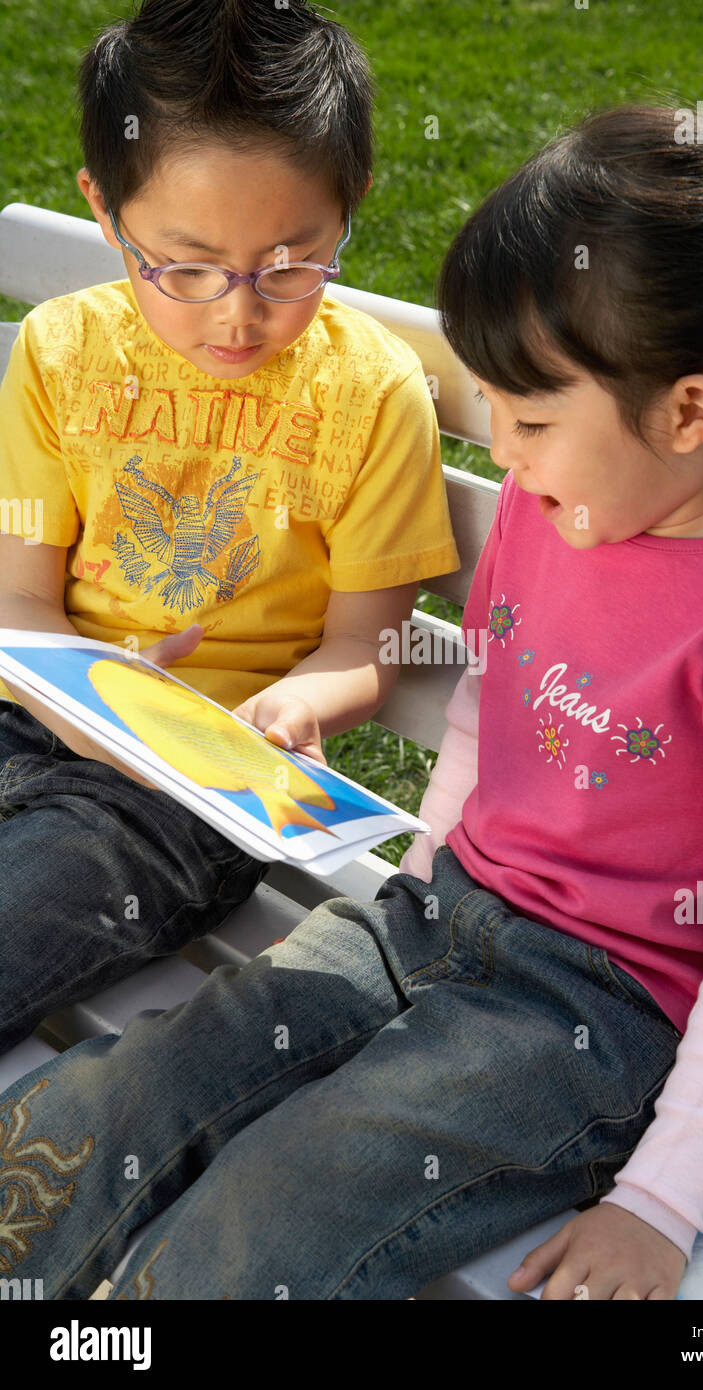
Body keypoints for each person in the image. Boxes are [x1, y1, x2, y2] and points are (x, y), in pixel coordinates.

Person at [1, 103, 703, 1302]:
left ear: (690, 412)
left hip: (581, 1016)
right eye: (491, 415)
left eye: (530, 420)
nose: (500, 455)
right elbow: (485, 713)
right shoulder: (555, 501)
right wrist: (415, 877)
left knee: (276, 1202)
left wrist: (655, 1208)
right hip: (426, 917)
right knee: (130, 1093)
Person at [0, 0, 458, 1055]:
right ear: (107, 216)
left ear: (352, 210)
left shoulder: (371, 393)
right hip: (39, 712)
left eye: (290, 264)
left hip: (182, 800)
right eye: (187, 266)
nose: (237, 313)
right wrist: (98, 698)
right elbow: (21, 603)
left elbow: (363, 647)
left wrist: (294, 705)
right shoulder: (60, 351)